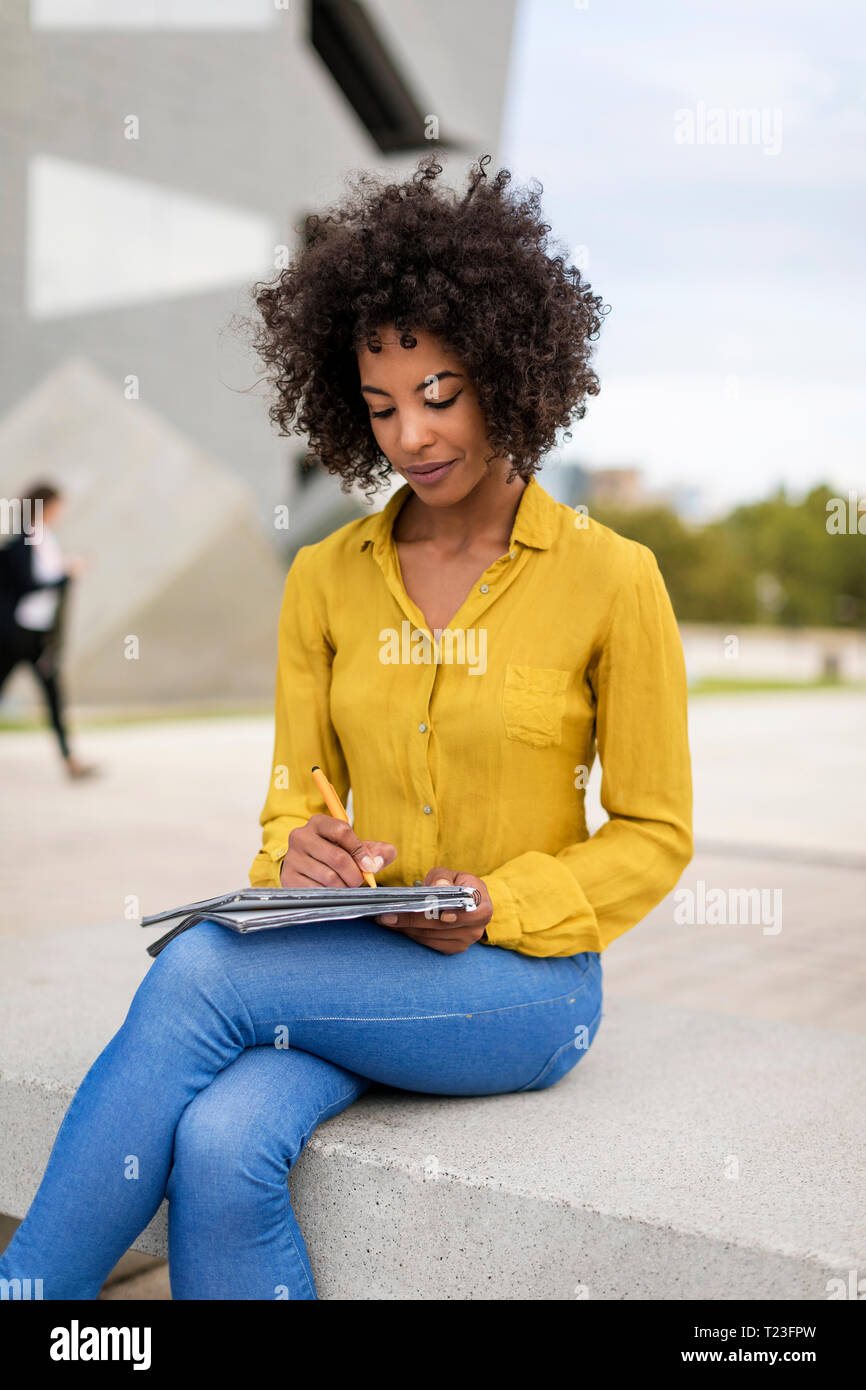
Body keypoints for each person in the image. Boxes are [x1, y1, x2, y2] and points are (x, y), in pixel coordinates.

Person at [0, 155, 692, 1300]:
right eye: (378, 407)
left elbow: (653, 834)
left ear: (513, 374)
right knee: (221, 1145)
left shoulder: (612, 580)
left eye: (439, 393)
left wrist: (496, 905)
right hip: (347, 962)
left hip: (523, 989)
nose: (410, 437)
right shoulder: (325, 578)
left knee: (204, 973)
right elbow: (291, 798)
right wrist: (296, 852)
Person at [0, 482, 97, 780]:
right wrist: (66, 575)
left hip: (40, 636)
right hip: (15, 634)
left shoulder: (46, 541)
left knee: (54, 695)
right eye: (58, 506)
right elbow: (29, 586)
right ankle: (70, 760)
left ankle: (70, 760)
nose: (61, 512)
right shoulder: (22, 543)